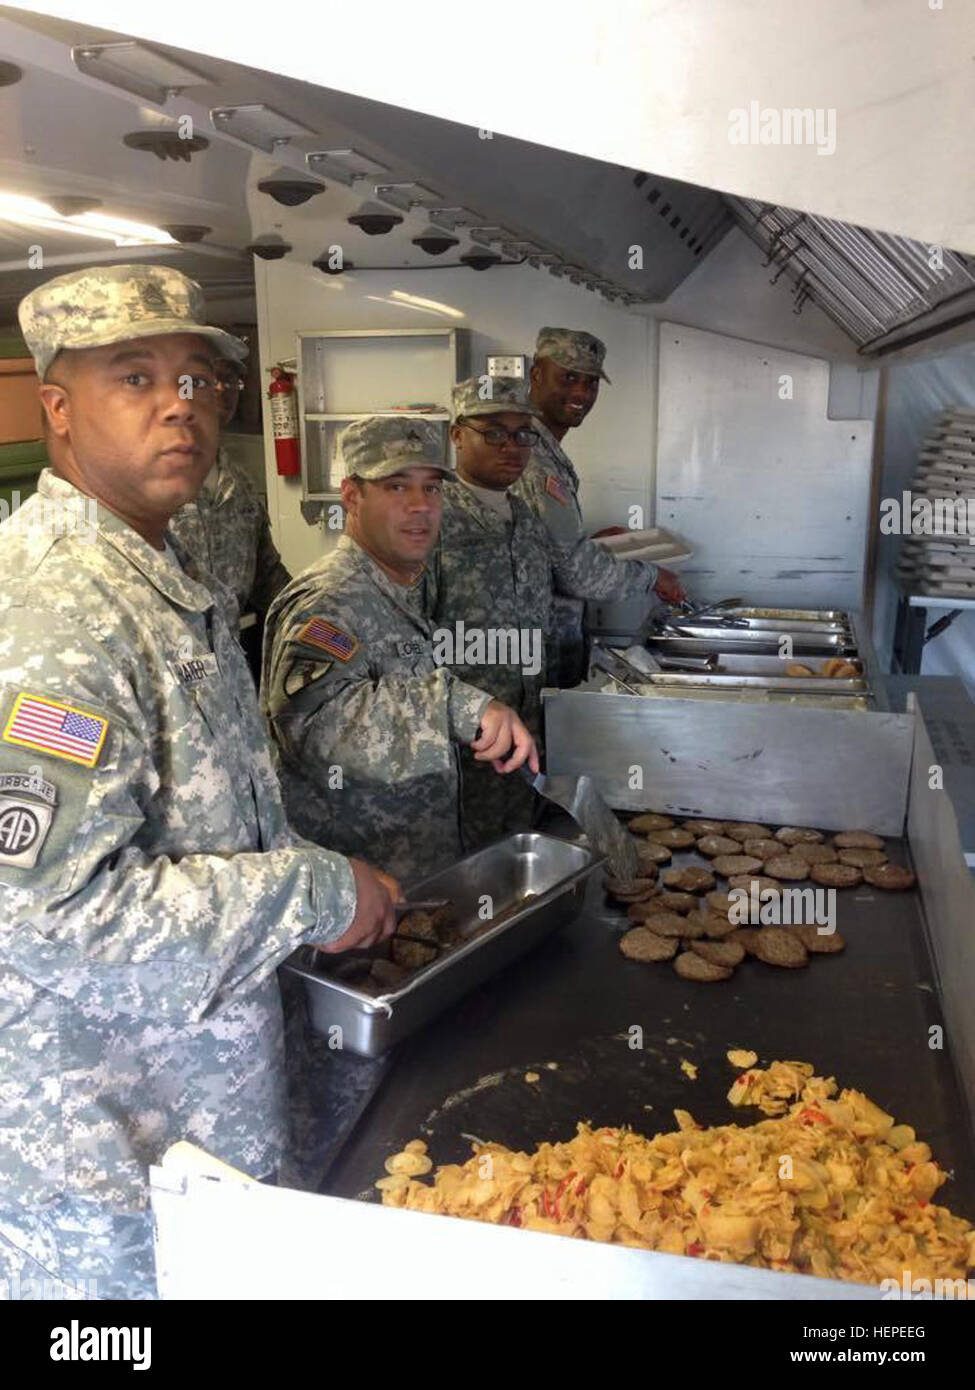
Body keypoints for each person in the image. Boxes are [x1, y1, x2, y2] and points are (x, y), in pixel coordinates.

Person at [0, 264, 399, 1300]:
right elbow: (52, 913)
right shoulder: (56, 611)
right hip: (105, 1168)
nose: (181, 404)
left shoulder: (159, 577)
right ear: (57, 408)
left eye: (199, 380)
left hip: (195, 1129)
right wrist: (314, 893)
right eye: (134, 377)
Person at [261, 415, 539, 883]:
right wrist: (459, 705)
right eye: (395, 487)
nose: (420, 507)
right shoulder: (329, 600)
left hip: (413, 873)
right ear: (352, 496)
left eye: (431, 488)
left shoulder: (399, 588)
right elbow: (312, 725)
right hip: (359, 890)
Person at [435, 376, 669, 850]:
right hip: (464, 738)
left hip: (528, 728)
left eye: (524, 434)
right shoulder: (434, 519)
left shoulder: (526, 518)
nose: (512, 447)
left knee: (520, 851)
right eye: (493, 433)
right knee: (465, 868)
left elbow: (566, 572)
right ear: (457, 435)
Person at [513, 326, 685, 683]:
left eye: (590, 382)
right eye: (569, 377)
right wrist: (653, 577)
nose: (581, 392)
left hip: (546, 643)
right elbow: (575, 574)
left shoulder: (543, 450)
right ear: (536, 374)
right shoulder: (529, 457)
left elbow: (539, 551)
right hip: (530, 655)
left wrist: (591, 544)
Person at [169, 356, 291, 669]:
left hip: (227, 674)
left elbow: (268, 577)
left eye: (232, 380)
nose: (222, 388)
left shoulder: (239, 485)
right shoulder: (146, 485)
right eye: (206, 379)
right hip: (162, 678)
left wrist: (326, 614)